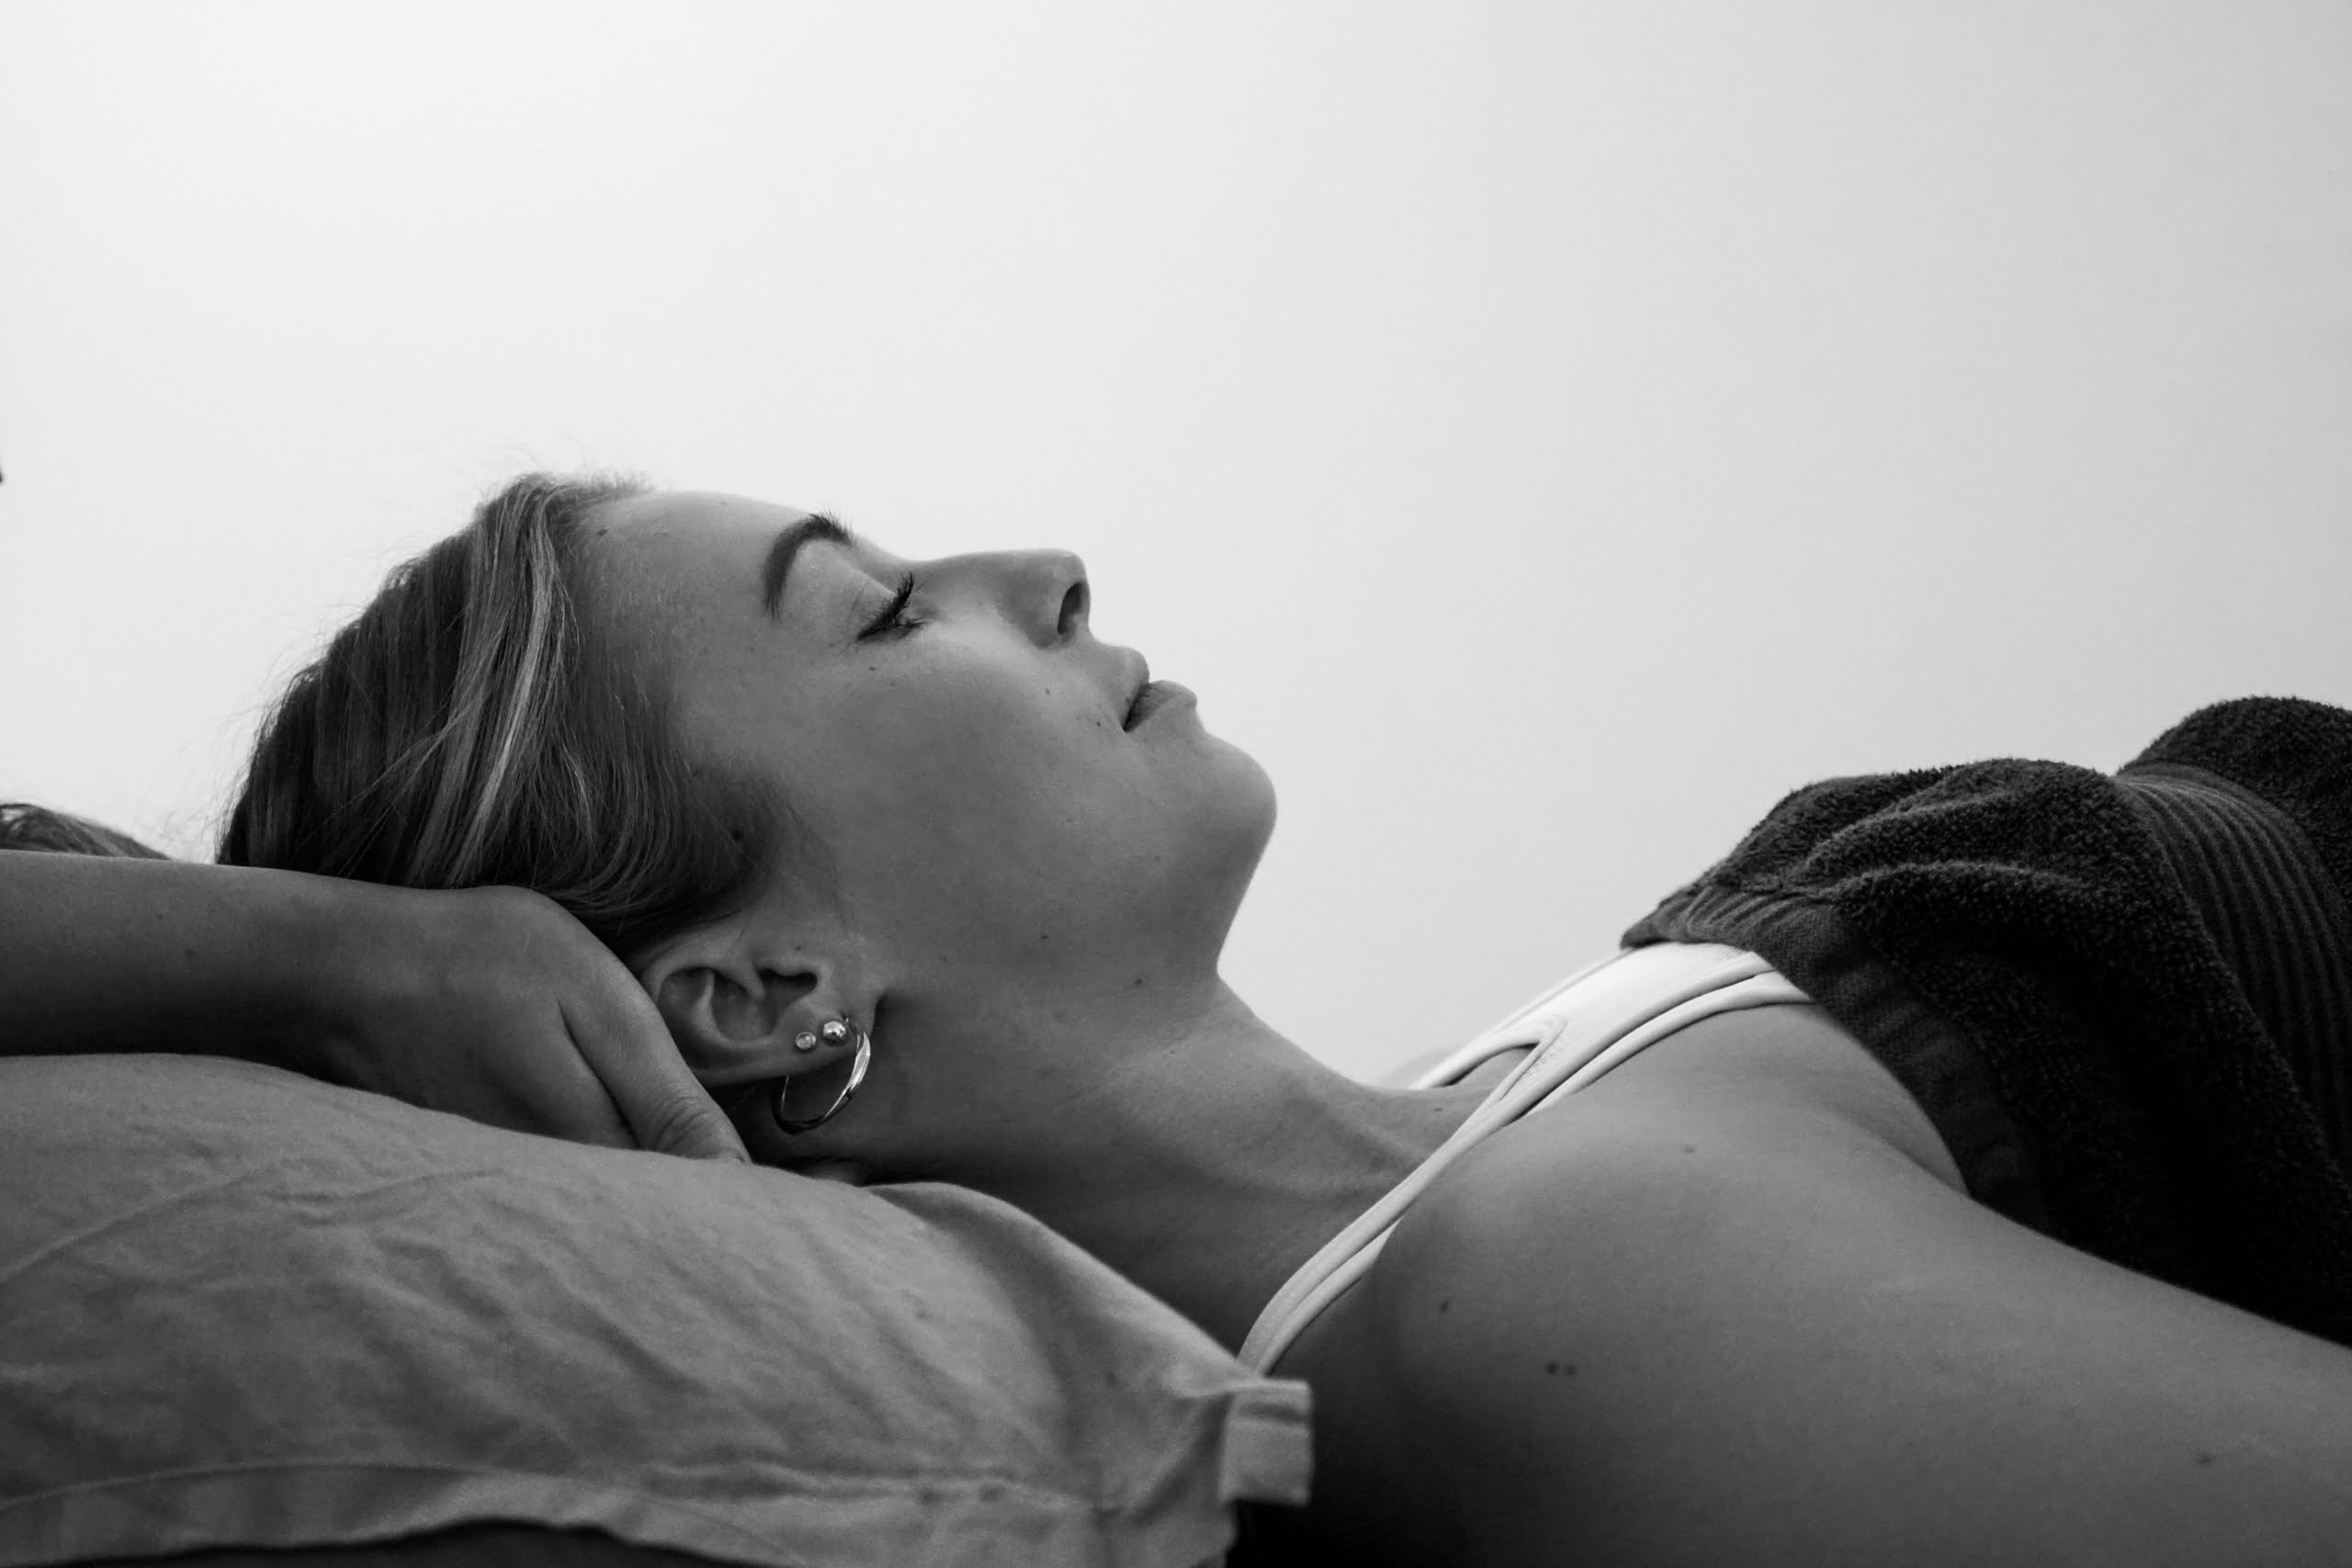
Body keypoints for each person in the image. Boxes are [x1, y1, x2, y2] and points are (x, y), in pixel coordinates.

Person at [6, 473, 2351, 1566]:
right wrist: (322, 951)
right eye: (881, 609)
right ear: (764, 991)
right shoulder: (1541, 1295)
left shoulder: (1489, 1151)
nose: (1040, 562)